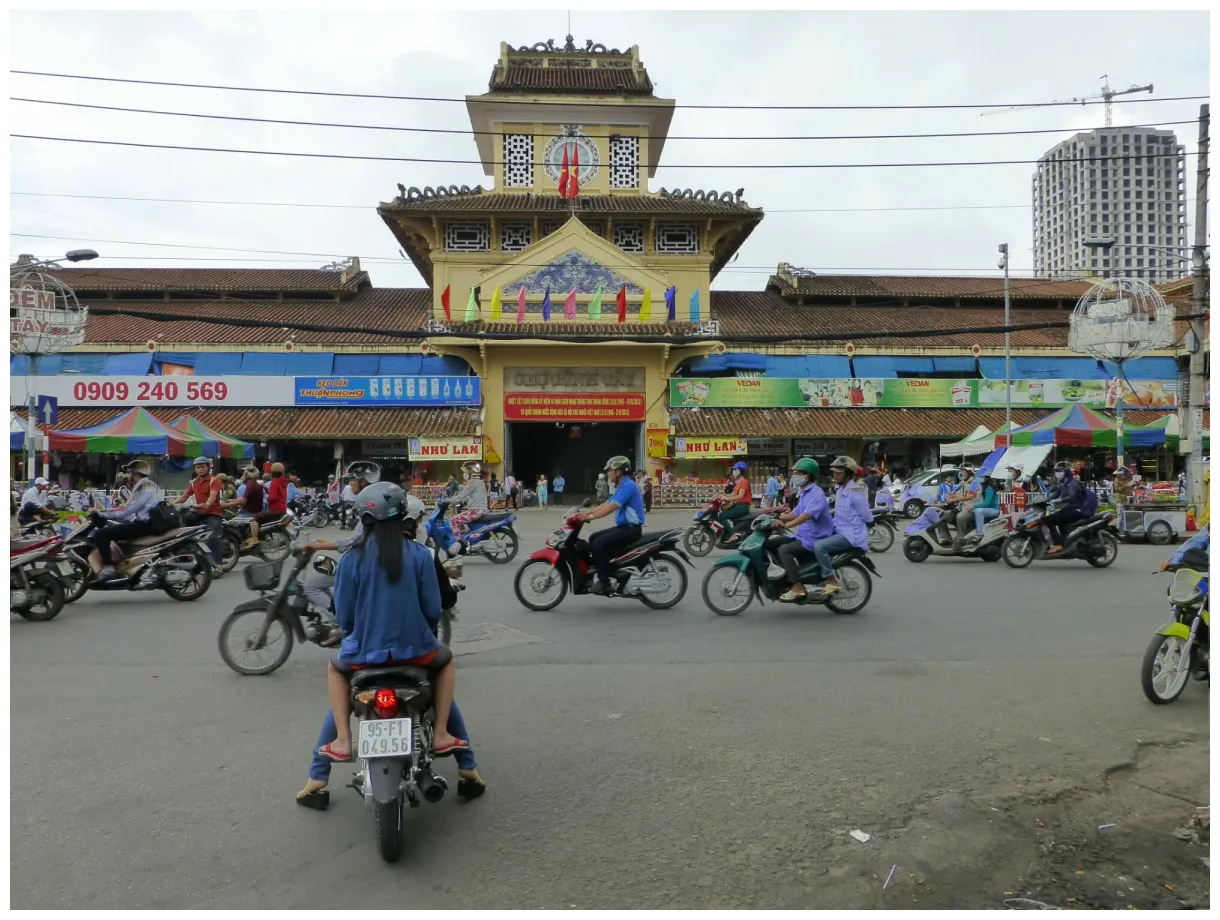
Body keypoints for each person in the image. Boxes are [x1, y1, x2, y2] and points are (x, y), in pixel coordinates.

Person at [307, 481, 468, 766]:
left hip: (364, 653)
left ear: (363, 517)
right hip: (418, 651)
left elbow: (344, 616)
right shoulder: (421, 555)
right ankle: (441, 734)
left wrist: (356, 636)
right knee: (446, 661)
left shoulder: (350, 560)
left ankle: (343, 741)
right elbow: (433, 609)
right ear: (403, 514)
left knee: (335, 668)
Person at [790, 456, 871, 600]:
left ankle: (832, 579)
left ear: (848, 474)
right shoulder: (840, 491)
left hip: (851, 535)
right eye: (834, 472)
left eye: (838, 472)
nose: (835, 475)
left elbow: (866, 515)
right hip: (839, 531)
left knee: (819, 546)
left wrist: (866, 523)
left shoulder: (856, 491)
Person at [577, 456, 645, 596]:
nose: (608, 473)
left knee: (600, 543)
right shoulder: (622, 486)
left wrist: (589, 517)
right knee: (593, 538)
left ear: (618, 471)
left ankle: (605, 581)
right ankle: (610, 569)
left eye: (610, 470)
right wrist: (585, 513)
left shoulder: (629, 486)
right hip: (624, 528)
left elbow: (611, 508)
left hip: (631, 530)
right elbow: (606, 504)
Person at [85, 461, 162, 578]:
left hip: (144, 525)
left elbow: (128, 510)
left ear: (135, 473)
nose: (127, 476)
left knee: (101, 534)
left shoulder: (143, 487)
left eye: (129, 473)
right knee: (116, 527)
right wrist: (108, 512)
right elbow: (130, 510)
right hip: (146, 521)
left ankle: (108, 568)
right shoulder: (149, 485)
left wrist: (101, 512)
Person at [774, 458, 835, 602]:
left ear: (808, 475)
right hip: (804, 536)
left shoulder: (816, 494)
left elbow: (806, 515)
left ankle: (797, 586)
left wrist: (787, 525)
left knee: (784, 550)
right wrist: (777, 518)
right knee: (773, 542)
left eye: (798, 473)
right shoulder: (804, 492)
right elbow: (796, 513)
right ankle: (785, 578)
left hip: (815, 538)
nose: (795, 476)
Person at [176, 457, 224, 567]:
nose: (200, 469)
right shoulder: (194, 482)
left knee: (212, 537)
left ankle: (218, 564)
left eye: (202, 467)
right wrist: (172, 503)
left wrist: (207, 503)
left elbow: (212, 496)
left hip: (213, 513)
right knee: (183, 529)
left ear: (208, 467)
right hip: (199, 512)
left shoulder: (214, 481)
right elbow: (184, 496)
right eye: (197, 467)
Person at [1044, 461, 1086, 554]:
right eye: (1056, 471)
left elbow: (1071, 496)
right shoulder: (1062, 483)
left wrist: (1058, 500)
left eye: (1060, 471)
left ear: (1066, 471)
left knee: (1049, 520)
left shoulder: (1073, 482)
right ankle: (1065, 544)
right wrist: (1043, 499)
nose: (1057, 473)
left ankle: (1058, 544)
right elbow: (1055, 494)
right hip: (1067, 509)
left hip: (1075, 510)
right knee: (1058, 522)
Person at [448, 461, 489, 542]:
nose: (465, 474)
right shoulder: (480, 482)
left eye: (466, 472)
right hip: (481, 510)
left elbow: (462, 495)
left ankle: (459, 543)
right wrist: (460, 500)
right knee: (458, 518)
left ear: (471, 472)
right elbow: (469, 496)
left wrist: (448, 501)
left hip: (476, 511)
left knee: (453, 521)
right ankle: (466, 537)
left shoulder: (473, 482)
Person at [717, 461, 753, 545]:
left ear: (741, 471)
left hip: (742, 506)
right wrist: (722, 497)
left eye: (736, 470)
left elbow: (740, 496)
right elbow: (733, 493)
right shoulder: (738, 482)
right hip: (738, 505)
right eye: (733, 470)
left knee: (722, 516)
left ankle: (733, 535)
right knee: (723, 512)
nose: (733, 471)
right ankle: (731, 532)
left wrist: (727, 499)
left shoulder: (744, 481)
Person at [964, 474, 1001, 542]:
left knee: (978, 511)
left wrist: (973, 507)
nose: (978, 478)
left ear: (985, 479)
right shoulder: (980, 487)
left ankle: (979, 534)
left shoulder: (989, 488)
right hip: (985, 509)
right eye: (978, 477)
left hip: (994, 510)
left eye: (981, 477)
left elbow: (986, 504)